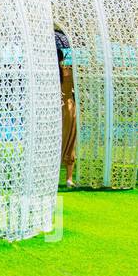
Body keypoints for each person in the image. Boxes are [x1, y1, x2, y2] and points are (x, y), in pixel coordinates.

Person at [57, 31, 77, 188]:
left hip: (56, 110)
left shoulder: (49, 73)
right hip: (69, 110)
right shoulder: (69, 70)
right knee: (70, 142)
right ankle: (69, 178)